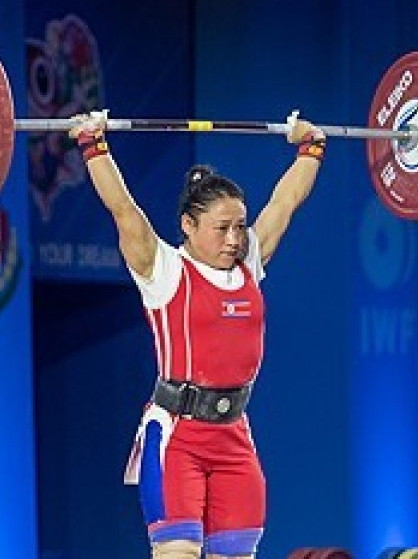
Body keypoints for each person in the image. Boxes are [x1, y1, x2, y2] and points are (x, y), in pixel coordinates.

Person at [70, 109, 325, 559]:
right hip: (176, 437)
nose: (234, 239)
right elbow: (122, 207)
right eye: (221, 228)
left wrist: (311, 147)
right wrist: (93, 144)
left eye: (239, 227)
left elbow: (285, 202)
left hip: (234, 437)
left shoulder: (250, 264)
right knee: (179, 554)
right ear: (188, 226)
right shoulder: (163, 268)